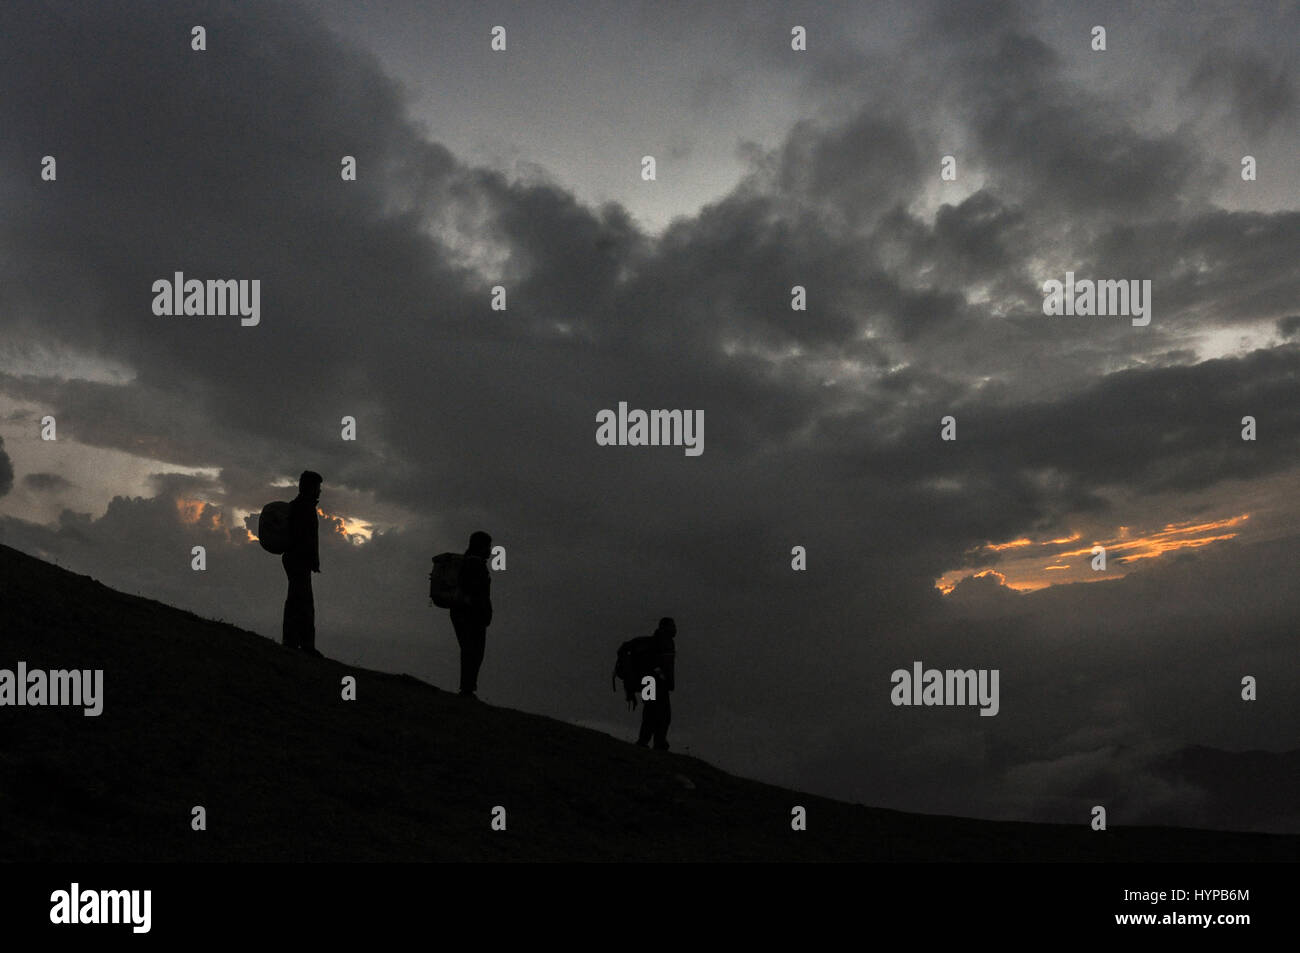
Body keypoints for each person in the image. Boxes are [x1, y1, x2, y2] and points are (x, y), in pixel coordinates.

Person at [282, 470, 322, 656]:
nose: (320, 491)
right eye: (318, 487)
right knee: (302, 603)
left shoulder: (299, 506)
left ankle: (294, 641)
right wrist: (312, 560)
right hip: (299, 560)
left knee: (297, 601)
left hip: (296, 560)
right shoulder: (304, 508)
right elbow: (305, 538)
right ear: (311, 487)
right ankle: (304, 644)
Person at [450, 530, 493, 698]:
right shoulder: (476, 565)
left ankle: (467, 688)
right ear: (481, 546)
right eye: (488, 546)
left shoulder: (467, 563)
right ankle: (467, 690)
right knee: (473, 652)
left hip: (462, 612)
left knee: (469, 651)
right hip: (471, 614)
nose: (490, 550)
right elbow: (478, 593)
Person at [636, 617, 676, 750]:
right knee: (663, 714)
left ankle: (644, 740)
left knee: (650, 712)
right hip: (656, 683)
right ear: (666, 627)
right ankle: (658, 742)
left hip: (648, 681)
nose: (675, 629)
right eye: (672, 626)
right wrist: (665, 679)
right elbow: (661, 664)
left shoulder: (654, 641)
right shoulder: (665, 642)